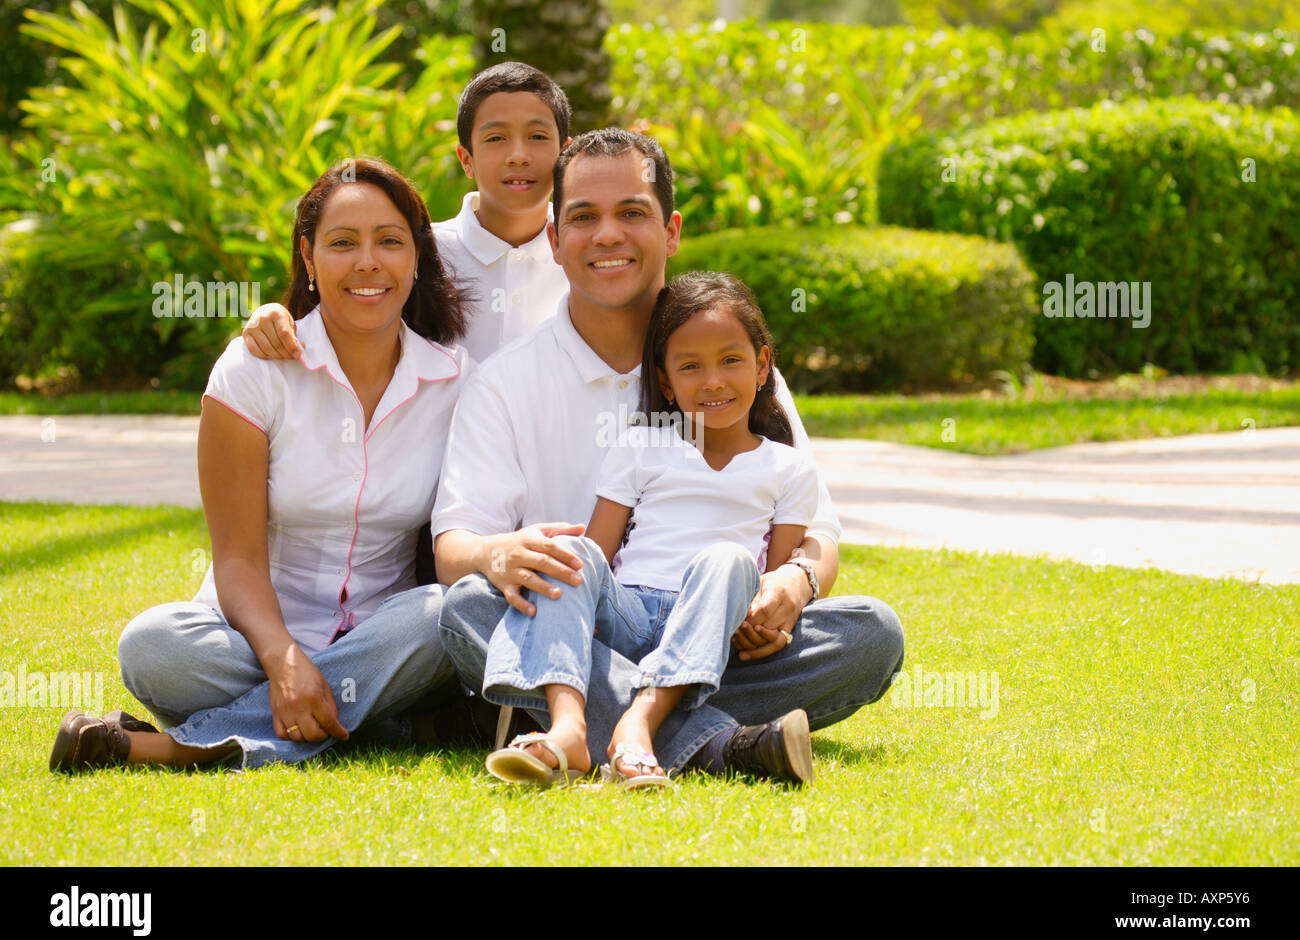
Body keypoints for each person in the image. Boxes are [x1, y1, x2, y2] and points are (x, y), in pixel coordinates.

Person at [433, 128, 906, 785]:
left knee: (871, 632)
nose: (607, 235)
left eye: (631, 213)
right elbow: (454, 546)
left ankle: (602, 727)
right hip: (587, 631)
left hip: (726, 633)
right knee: (467, 610)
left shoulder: (728, 361)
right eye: (583, 217)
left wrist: (790, 587)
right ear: (553, 239)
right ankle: (720, 746)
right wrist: (494, 554)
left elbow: (816, 534)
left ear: (672, 230)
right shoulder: (505, 383)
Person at [49, 157, 472, 772]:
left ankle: (173, 747)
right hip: (247, 643)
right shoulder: (252, 373)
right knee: (152, 647)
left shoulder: (455, 382)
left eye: (390, 242)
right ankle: (394, 723)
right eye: (342, 243)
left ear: (416, 258)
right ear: (308, 255)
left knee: (441, 615)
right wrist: (283, 661)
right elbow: (238, 559)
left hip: (387, 638)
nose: (367, 262)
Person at [481, 272, 820, 787]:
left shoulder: (789, 469)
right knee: (565, 552)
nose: (712, 381)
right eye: (690, 366)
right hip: (630, 614)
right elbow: (597, 552)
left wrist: (762, 615)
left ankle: (637, 724)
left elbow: (772, 585)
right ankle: (569, 726)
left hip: (709, 622)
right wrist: (575, 601)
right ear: (666, 381)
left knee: (730, 559)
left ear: (762, 366)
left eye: (731, 360)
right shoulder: (641, 446)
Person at [239, 61, 572, 364]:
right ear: (465, 158)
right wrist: (271, 317)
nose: (518, 155)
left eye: (538, 136)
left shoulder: (584, 254)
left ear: (565, 153)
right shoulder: (419, 253)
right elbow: (340, 317)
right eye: (496, 138)